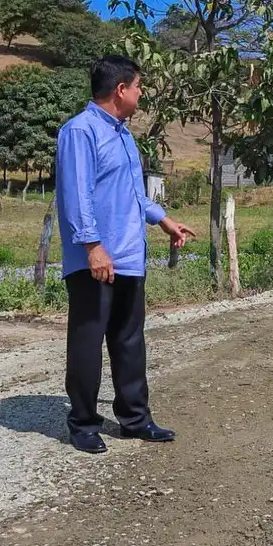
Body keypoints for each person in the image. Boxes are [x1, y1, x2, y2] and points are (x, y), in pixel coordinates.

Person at [55, 54, 195, 454]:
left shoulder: (123, 134)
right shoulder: (80, 132)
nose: (140, 94)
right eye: (138, 87)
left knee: (129, 339)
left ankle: (135, 419)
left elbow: (133, 194)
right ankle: (82, 423)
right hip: (96, 259)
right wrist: (93, 246)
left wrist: (163, 219)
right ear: (120, 90)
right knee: (88, 340)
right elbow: (76, 195)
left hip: (130, 256)